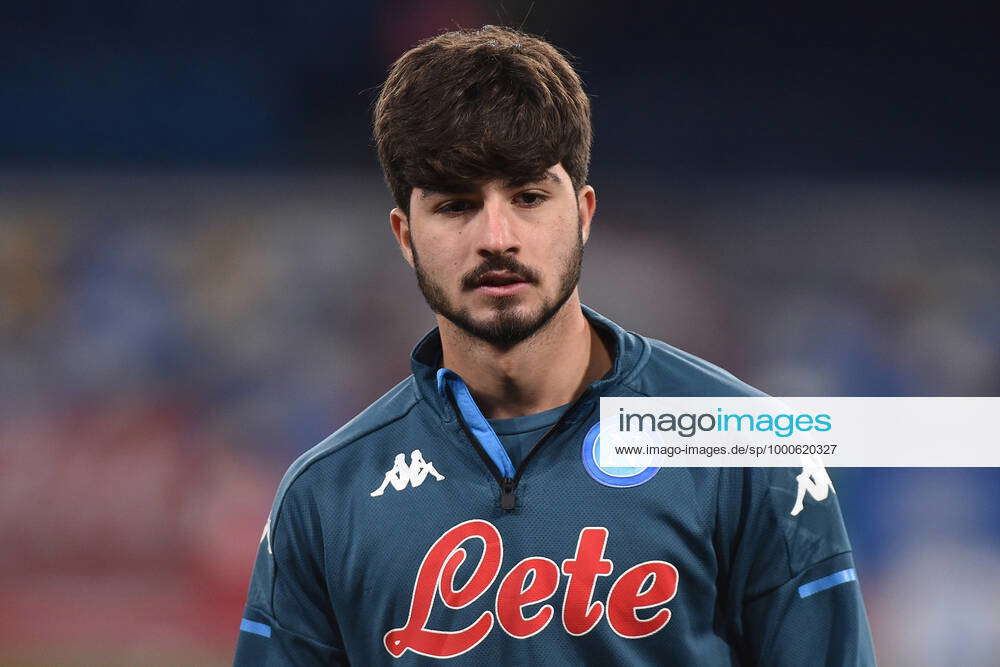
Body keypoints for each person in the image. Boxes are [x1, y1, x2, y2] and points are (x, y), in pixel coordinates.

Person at [234, 25, 875, 665]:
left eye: (529, 197)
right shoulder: (325, 495)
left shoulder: (748, 450)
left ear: (583, 214)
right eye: (456, 205)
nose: (497, 238)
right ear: (405, 237)